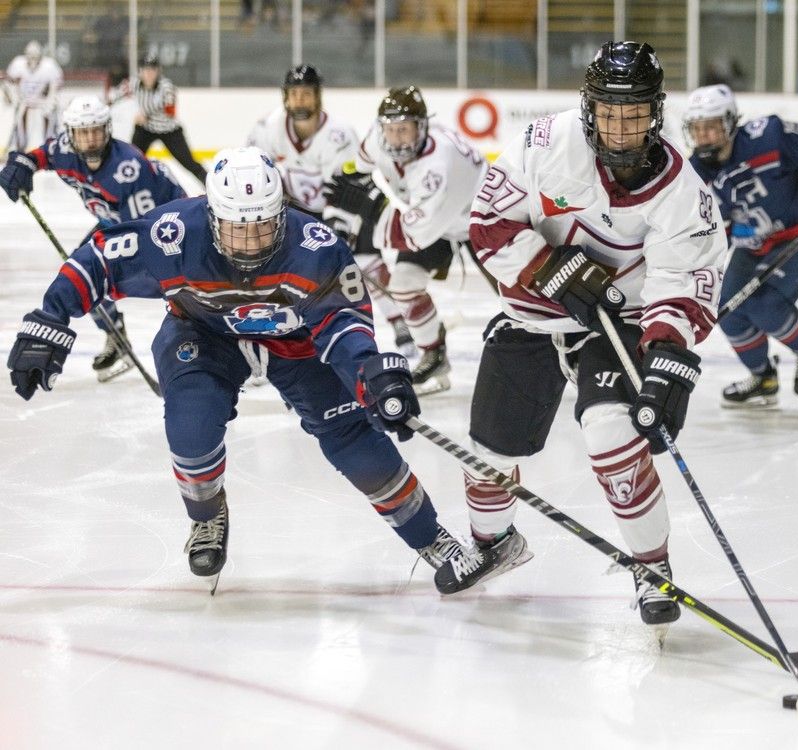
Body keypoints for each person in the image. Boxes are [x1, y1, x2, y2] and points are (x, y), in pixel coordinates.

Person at [5, 146, 486, 591]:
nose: (252, 241)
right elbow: (100, 258)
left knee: (357, 442)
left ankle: (430, 538)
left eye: (263, 225)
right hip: (203, 335)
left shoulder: (316, 247)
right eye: (238, 226)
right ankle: (207, 516)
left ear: (282, 214)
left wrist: (372, 374)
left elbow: (342, 324)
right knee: (189, 428)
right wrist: (50, 316)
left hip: (295, 342)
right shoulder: (174, 232)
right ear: (212, 216)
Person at [436, 42, 728, 626]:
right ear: (590, 108)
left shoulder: (683, 192)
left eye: (635, 112)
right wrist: (550, 268)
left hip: (615, 321)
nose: (621, 127)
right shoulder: (546, 142)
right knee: (490, 449)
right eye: (610, 111)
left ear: (656, 111)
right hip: (534, 313)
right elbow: (490, 223)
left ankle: (654, 568)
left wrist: (668, 351)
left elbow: (681, 278)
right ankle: (494, 545)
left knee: (611, 436)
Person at [682, 84, 798, 407]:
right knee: (726, 308)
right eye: (697, 129)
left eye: (711, 127)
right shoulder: (695, 175)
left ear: (729, 123)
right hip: (756, 244)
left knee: (760, 302)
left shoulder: (769, 138)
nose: (704, 136)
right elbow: (710, 231)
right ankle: (763, 377)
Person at [0, 95, 186, 381]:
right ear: (71, 134)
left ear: (107, 129)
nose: (90, 139)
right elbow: (41, 155)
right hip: (115, 220)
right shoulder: (64, 148)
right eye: (83, 132)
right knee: (84, 273)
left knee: (180, 287)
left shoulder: (129, 170)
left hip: (166, 226)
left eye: (96, 130)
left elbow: (144, 234)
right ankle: (115, 336)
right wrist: (24, 164)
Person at [324, 85, 488, 394]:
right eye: (391, 130)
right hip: (437, 220)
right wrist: (341, 224)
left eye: (405, 130)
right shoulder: (376, 140)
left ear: (422, 127)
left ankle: (556, 345)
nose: (397, 138)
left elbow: (411, 236)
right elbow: (350, 178)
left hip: (484, 217)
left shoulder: (437, 165)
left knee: (516, 292)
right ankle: (434, 354)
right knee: (403, 285)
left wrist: (369, 209)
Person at [247, 65, 413, 354]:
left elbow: (348, 188)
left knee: (365, 263)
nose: (300, 101)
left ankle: (399, 321)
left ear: (318, 97)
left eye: (307, 94)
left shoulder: (339, 135)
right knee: (283, 271)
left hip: (345, 209)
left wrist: (339, 230)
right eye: (295, 94)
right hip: (299, 212)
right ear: (285, 97)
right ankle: (276, 335)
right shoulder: (267, 129)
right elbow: (255, 170)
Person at [109, 55, 207, 184]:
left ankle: (212, 187)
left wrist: (146, 115)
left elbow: (170, 113)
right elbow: (115, 96)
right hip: (145, 130)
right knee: (131, 161)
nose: (149, 74)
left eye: (152, 70)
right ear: (140, 71)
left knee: (190, 164)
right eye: (146, 70)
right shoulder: (134, 83)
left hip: (169, 131)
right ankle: (125, 190)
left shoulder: (166, 87)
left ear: (158, 71)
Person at [3, 41, 63, 152]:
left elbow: (57, 84)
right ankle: (19, 147)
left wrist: (50, 98)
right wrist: (12, 95)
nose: (33, 60)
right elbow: (9, 81)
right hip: (24, 100)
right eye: (30, 57)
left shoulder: (49, 66)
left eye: (36, 57)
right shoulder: (18, 63)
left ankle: (50, 147)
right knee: (19, 119)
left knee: (50, 118)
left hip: (44, 100)